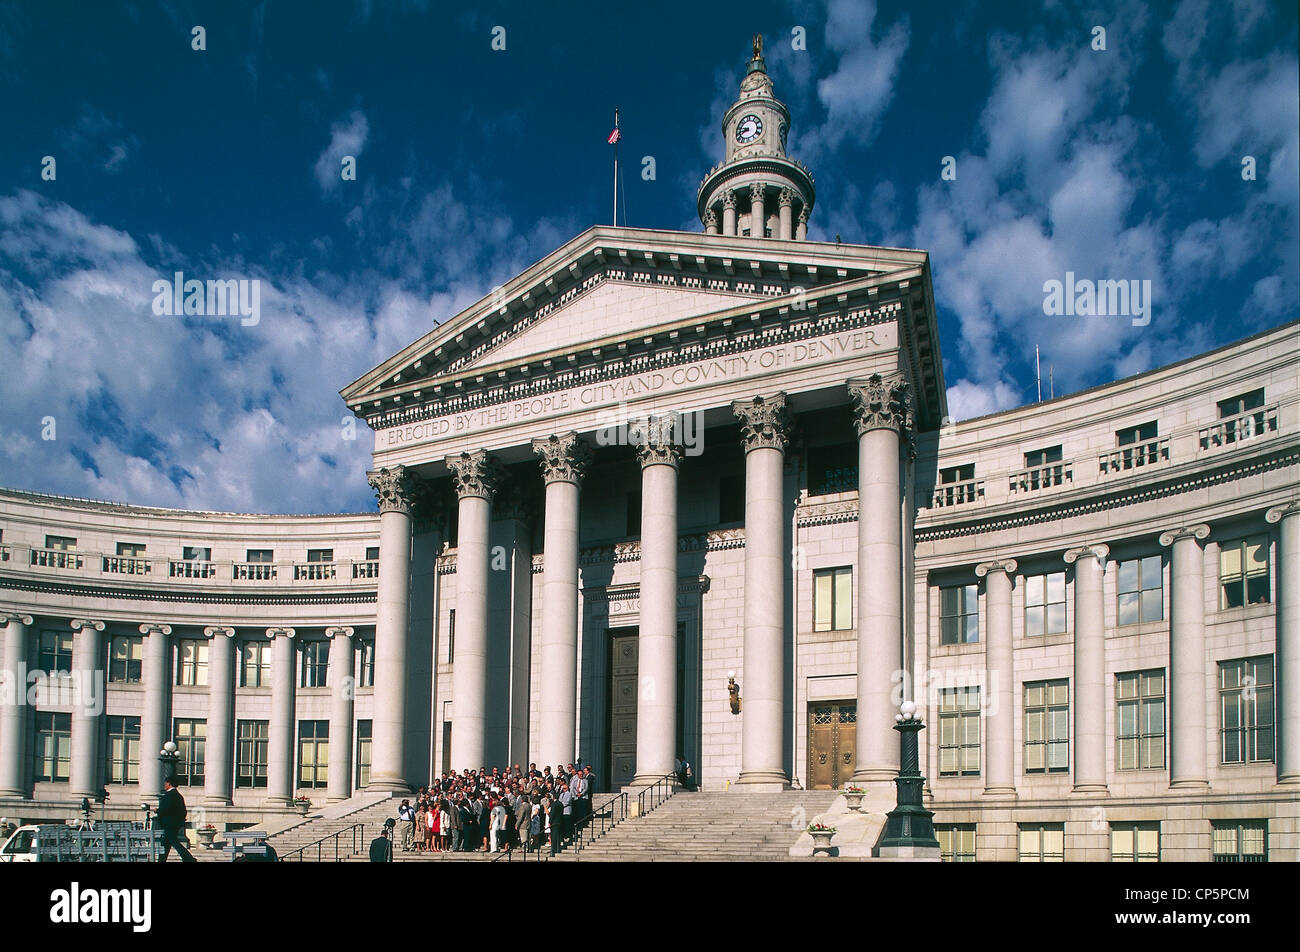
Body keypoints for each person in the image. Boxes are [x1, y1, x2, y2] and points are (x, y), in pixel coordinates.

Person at [156, 776, 195, 863]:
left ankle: (189, 858)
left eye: (165, 783)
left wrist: (157, 810)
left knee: (174, 842)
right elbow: (183, 810)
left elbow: (166, 809)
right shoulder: (178, 796)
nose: (164, 785)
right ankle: (161, 860)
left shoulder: (169, 795)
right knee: (166, 844)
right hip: (175, 824)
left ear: (169, 783)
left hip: (169, 824)